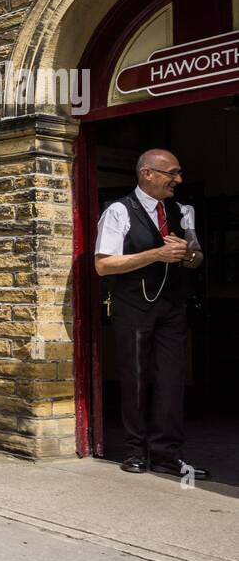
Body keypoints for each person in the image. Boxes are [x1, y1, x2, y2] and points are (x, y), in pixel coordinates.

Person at [94, 149, 208, 479]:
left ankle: (167, 455)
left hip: (173, 306)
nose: (179, 180)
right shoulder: (118, 211)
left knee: (172, 380)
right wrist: (157, 254)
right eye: (173, 173)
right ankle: (134, 451)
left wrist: (188, 255)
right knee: (137, 378)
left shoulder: (182, 210)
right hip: (133, 306)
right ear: (148, 174)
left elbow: (197, 255)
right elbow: (103, 265)